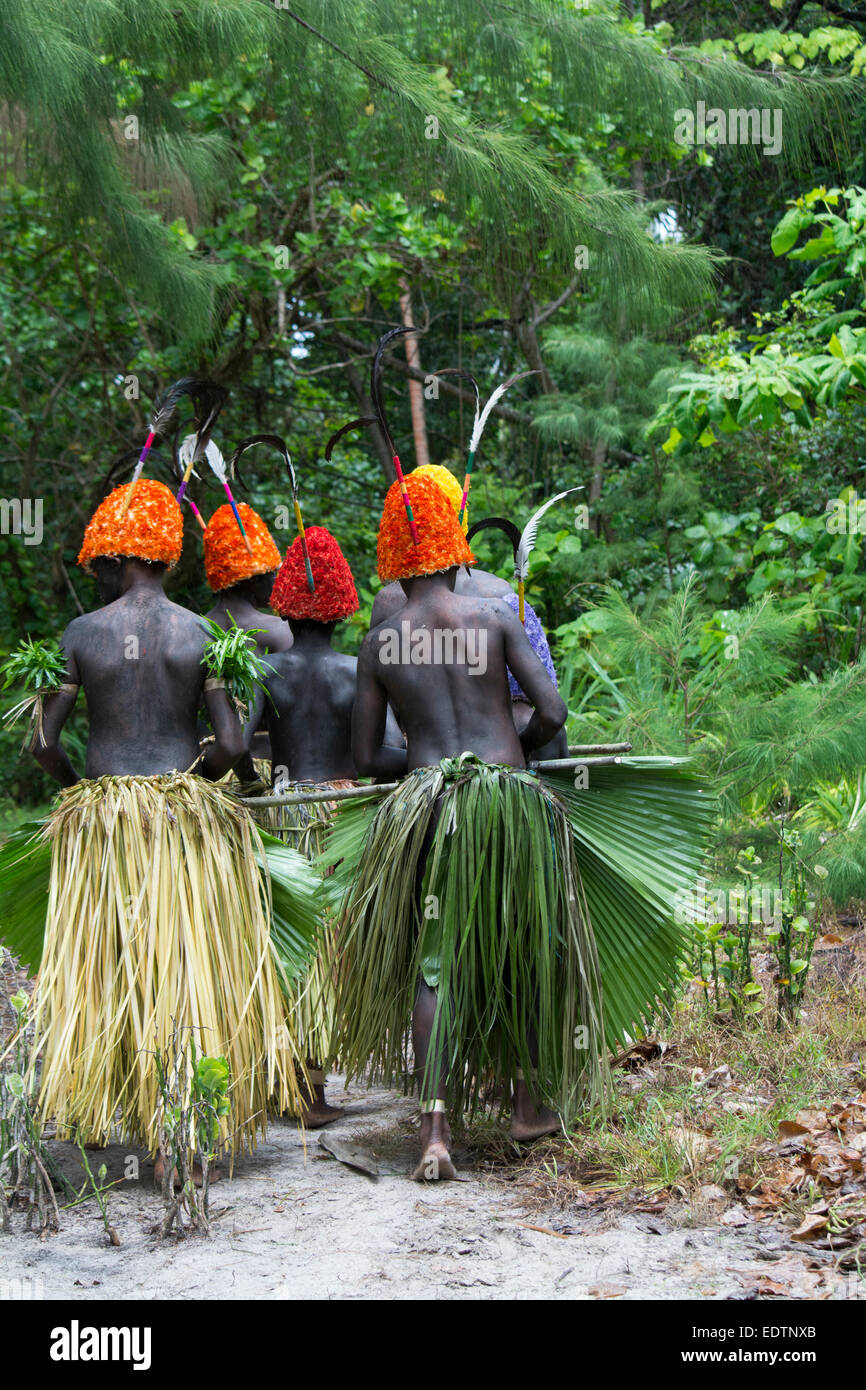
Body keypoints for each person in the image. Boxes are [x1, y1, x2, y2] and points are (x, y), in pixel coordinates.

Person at [327, 472, 608, 1181]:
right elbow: (553, 712)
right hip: (508, 801)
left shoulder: (382, 641)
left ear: (391, 563)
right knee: (526, 945)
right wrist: (519, 748)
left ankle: (434, 1132)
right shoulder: (493, 620)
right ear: (457, 556)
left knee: (434, 966)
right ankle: (529, 1105)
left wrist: (424, 767)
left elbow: (364, 757)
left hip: (428, 804)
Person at [26, 479, 307, 1163]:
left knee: (111, 957)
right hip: (183, 823)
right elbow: (235, 746)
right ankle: (180, 1117)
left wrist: (79, 791)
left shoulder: (82, 633)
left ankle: (103, 1100)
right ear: (168, 554)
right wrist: (200, 785)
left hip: (104, 819)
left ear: (113, 553)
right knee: (181, 962)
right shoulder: (200, 631)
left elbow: (41, 742)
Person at [251, 524, 362, 1127]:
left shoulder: (266, 671)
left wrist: (252, 787)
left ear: (285, 605)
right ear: (343, 606)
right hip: (343, 816)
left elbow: (240, 746)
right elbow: (379, 751)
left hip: (286, 808)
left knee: (292, 949)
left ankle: (300, 1084)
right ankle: (310, 1089)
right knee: (330, 949)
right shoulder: (355, 669)